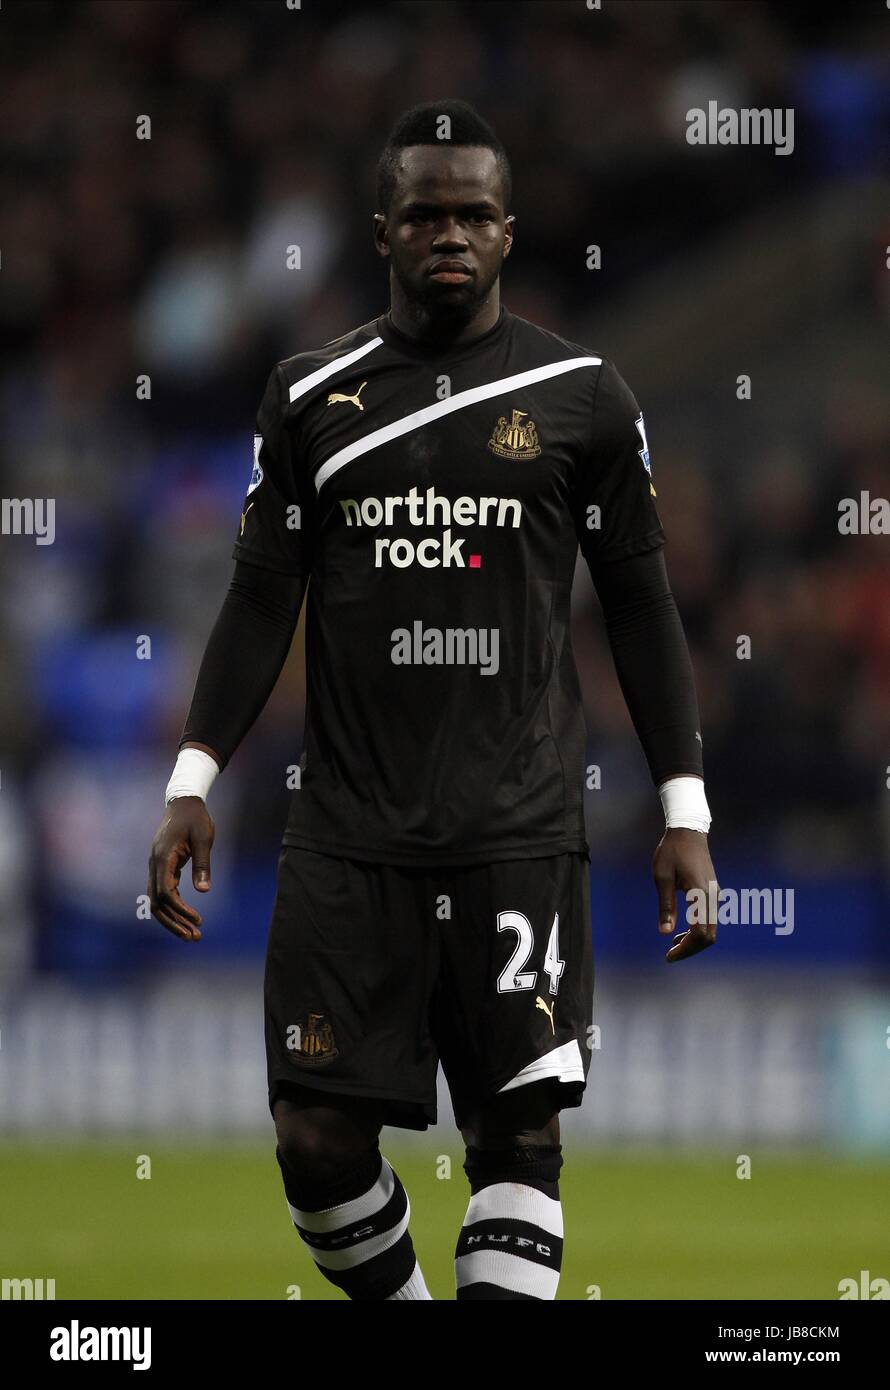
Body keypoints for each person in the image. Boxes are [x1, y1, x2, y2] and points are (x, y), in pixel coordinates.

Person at [148, 99, 719, 1301]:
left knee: (518, 1138)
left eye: (472, 213)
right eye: (424, 213)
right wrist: (193, 778)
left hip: (516, 831)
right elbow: (259, 600)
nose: (448, 233)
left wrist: (685, 810)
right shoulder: (312, 398)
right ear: (381, 230)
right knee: (312, 1136)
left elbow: (641, 609)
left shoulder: (584, 398)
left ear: (508, 232)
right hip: (347, 836)